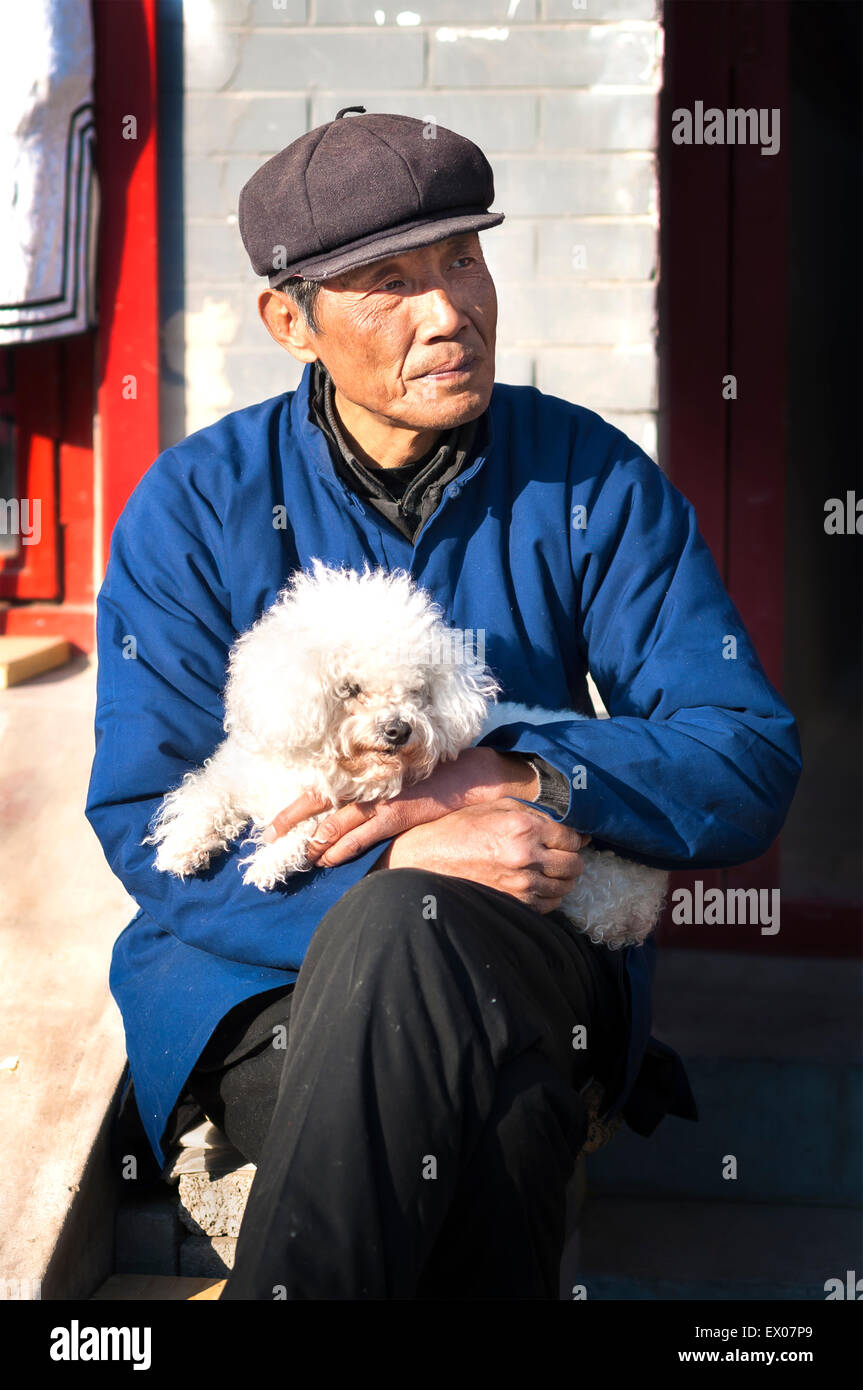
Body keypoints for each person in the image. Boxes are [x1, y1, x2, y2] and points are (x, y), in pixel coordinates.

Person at [85, 107, 802, 1301]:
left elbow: (742, 760)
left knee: (441, 995)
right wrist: (397, 870)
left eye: (463, 258)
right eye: (387, 284)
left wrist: (510, 774)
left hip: (527, 950)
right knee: (503, 1117)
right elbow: (142, 817)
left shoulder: (589, 480)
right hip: (261, 977)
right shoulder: (196, 502)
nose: (447, 312)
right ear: (289, 321)